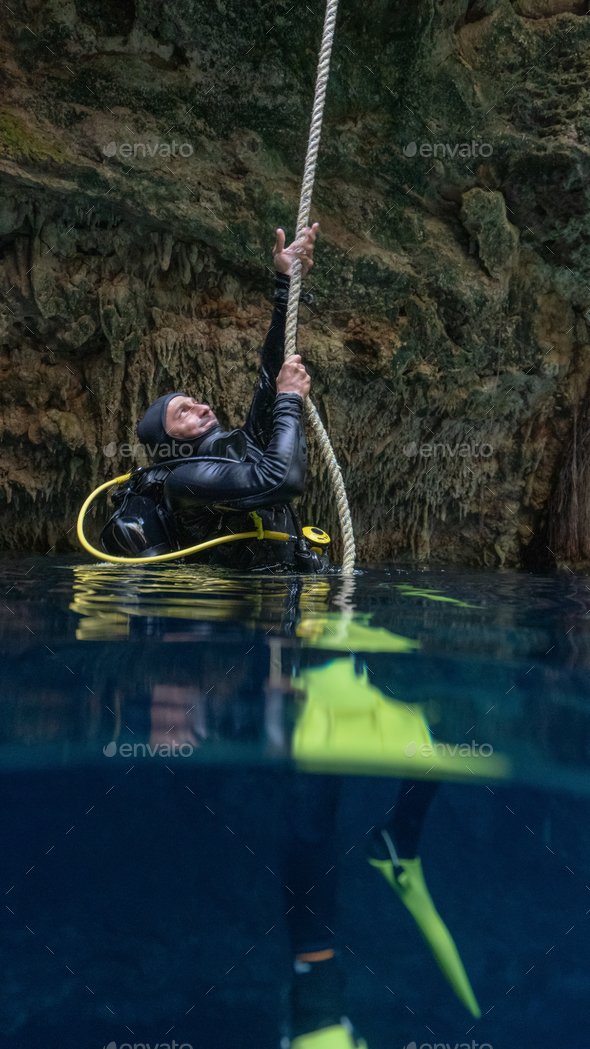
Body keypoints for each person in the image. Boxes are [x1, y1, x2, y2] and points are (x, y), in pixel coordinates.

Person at [100, 224, 329, 572]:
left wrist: (285, 283)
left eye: (195, 401)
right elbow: (282, 480)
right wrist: (290, 399)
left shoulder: (243, 445)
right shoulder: (185, 481)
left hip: (276, 602)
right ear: (169, 441)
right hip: (233, 617)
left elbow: (271, 376)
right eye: (184, 412)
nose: (202, 406)